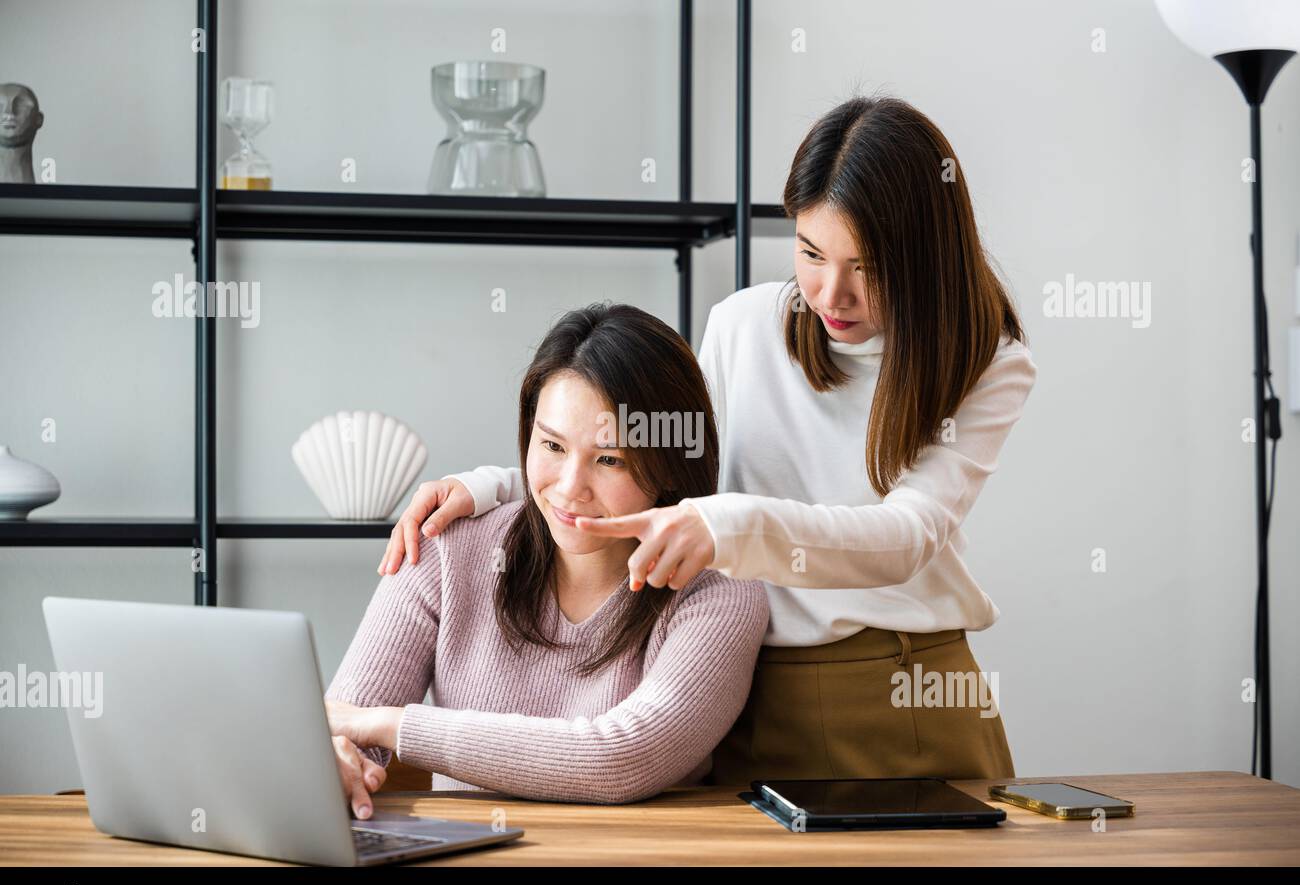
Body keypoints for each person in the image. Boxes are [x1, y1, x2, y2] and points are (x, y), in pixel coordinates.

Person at [378, 95, 1038, 786]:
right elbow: (657, 461)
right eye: (811, 253)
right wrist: (495, 485)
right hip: (749, 686)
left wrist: (724, 525)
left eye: (867, 266)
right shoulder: (743, 325)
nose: (831, 293)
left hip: (906, 688)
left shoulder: (987, 360)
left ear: (925, 255)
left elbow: (908, 536)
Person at [324, 303, 768, 816]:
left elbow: (620, 758)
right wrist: (336, 756)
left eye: (610, 459)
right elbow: (344, 728)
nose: (569, 488)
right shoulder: (447, 550)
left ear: (670, 466)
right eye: (552, 445)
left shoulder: (720, 590)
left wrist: (394, 726)